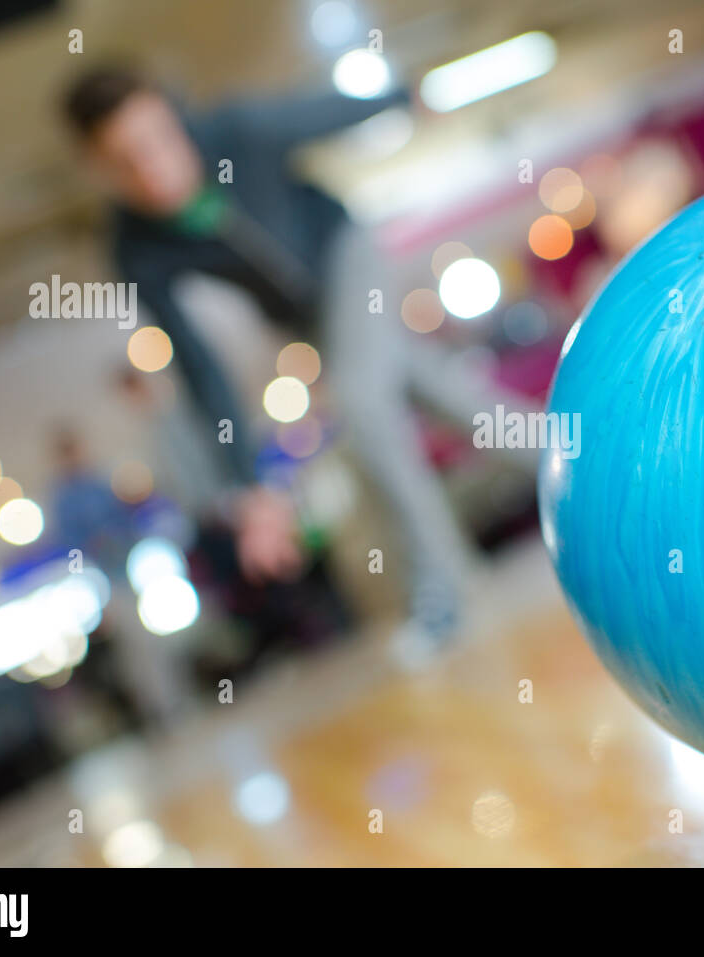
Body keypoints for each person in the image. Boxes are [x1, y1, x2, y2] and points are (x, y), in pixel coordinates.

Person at [60, 65, 538, 643]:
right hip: (301, 318)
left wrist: (401, 95)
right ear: (100, 170)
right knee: (435, 391)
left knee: (361, 400)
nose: (152, 170)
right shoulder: (134, 246)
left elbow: (322, 111)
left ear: (174, 120)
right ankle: (572, 464)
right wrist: (248, 487)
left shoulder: (234, 132)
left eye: (156, 142)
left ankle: (446, 588)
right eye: (124, 162)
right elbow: (198, 365)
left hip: (345, 255)